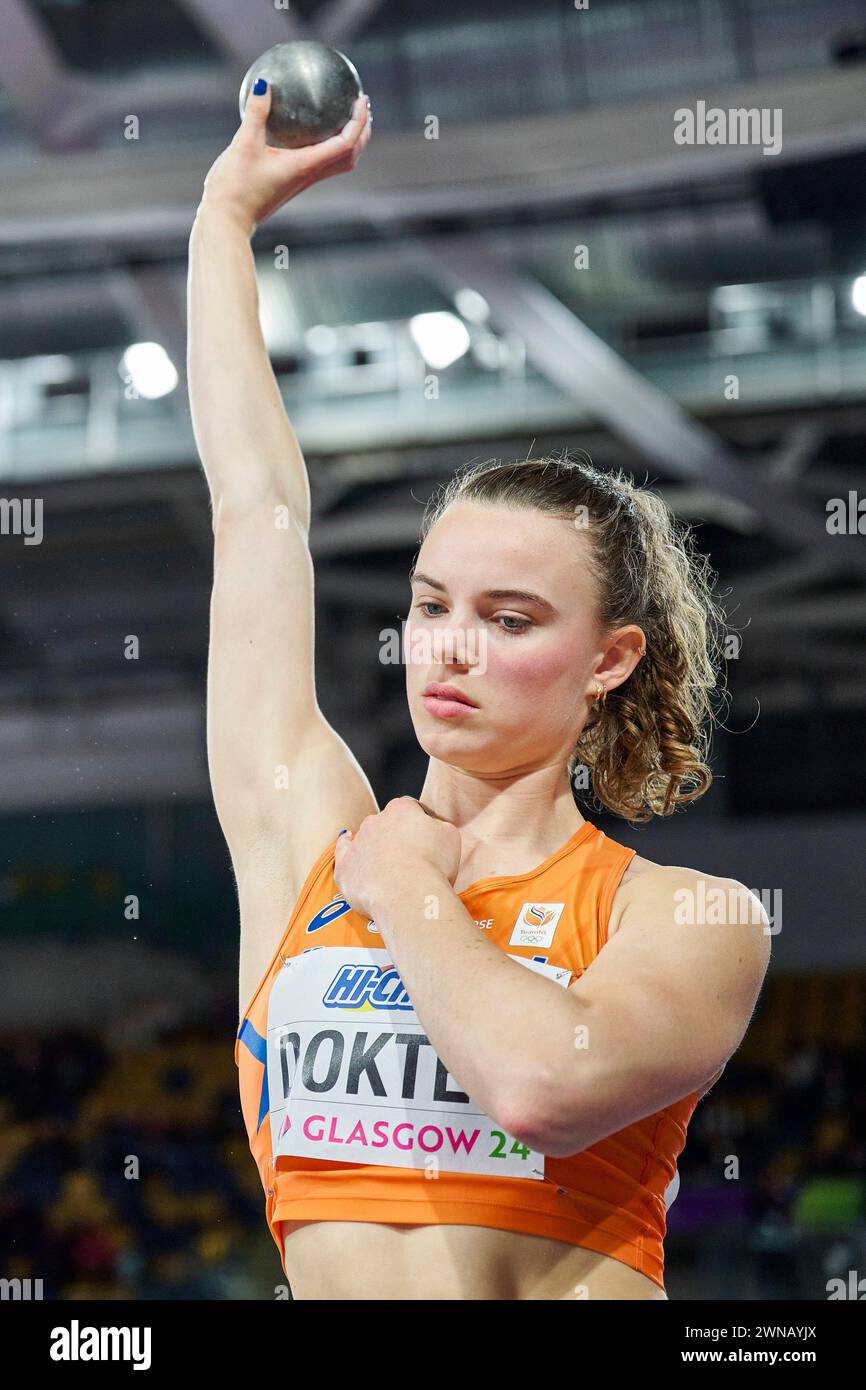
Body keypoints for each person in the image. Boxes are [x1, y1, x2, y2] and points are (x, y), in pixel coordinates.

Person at [187, 82, 771, 1300]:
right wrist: (220, 224)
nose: (447, 649)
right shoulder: (306, 837)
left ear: (609, 658)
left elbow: (539, 1086)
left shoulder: (685, 918)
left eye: (508, 621)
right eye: (430, 603)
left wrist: (405, 892)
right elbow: (256, 513)